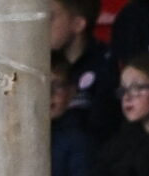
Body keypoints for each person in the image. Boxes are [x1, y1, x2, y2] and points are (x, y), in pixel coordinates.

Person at [50, 0, 121, 144]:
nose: (41, 26)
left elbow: (104, 127)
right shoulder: (39, 61)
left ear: (78, 24)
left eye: (50, 18)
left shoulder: (106, 65)